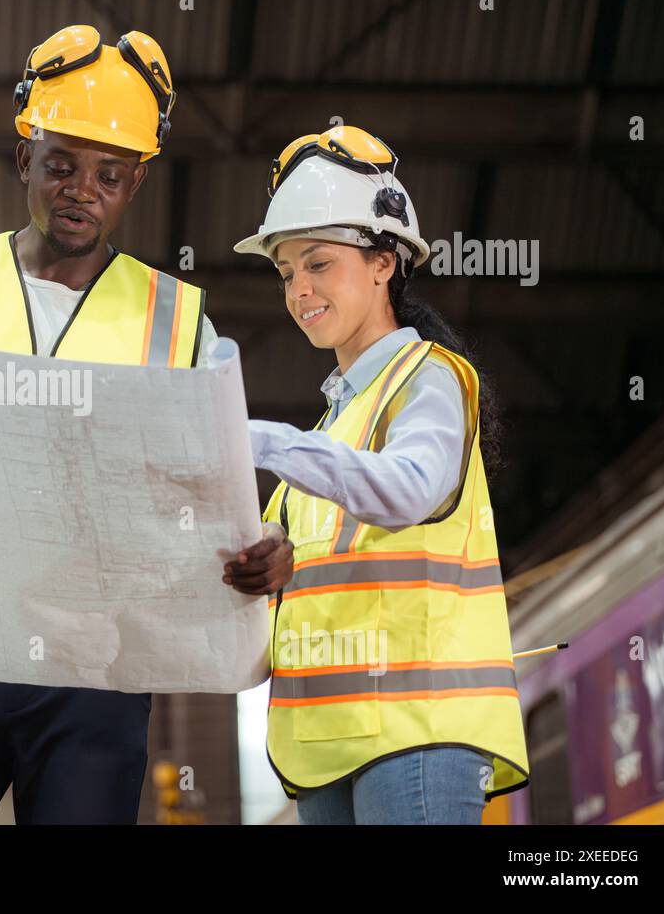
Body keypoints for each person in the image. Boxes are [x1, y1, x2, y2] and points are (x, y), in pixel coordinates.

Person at [0, 24, 296, 824]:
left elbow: (213, 493)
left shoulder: (179, 324)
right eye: (62, 164)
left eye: (109, 174)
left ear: (137, 182)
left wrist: (262, 549)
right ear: (23, 158)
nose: (82, 189)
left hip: (94, 670)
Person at [229, 125, 529, 825]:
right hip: (325, 744)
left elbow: (408, 488)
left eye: (318, 263)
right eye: (285, 273)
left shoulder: (428, 379)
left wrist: (257, 439)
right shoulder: (328, 432)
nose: (298, 289)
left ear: (383, 262)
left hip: (414, 728)